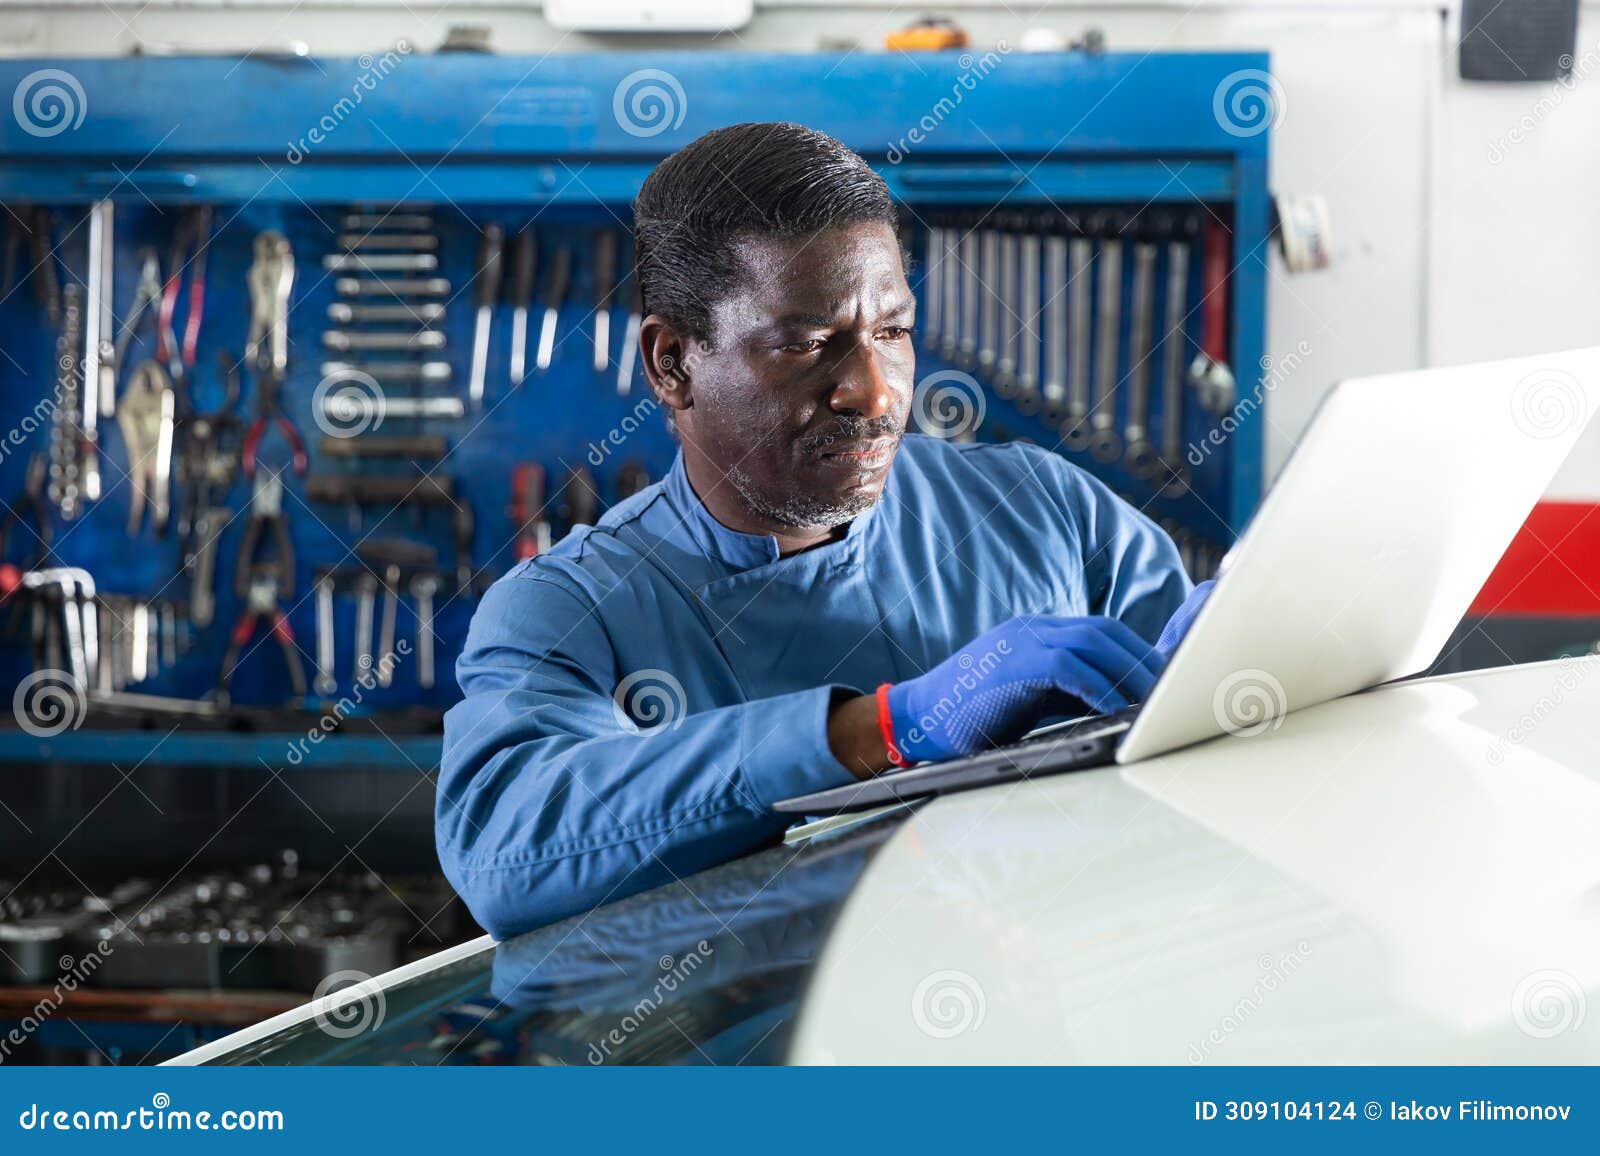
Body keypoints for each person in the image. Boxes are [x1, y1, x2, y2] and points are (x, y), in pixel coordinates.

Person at [438, 122, 1211, 939]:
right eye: (808, 344)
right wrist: (881, 729)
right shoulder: (570, 607)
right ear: (672, 362)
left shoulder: (1040, 506)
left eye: (893, 332)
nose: (874, 393)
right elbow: (504, 850)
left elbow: (1202, 749)